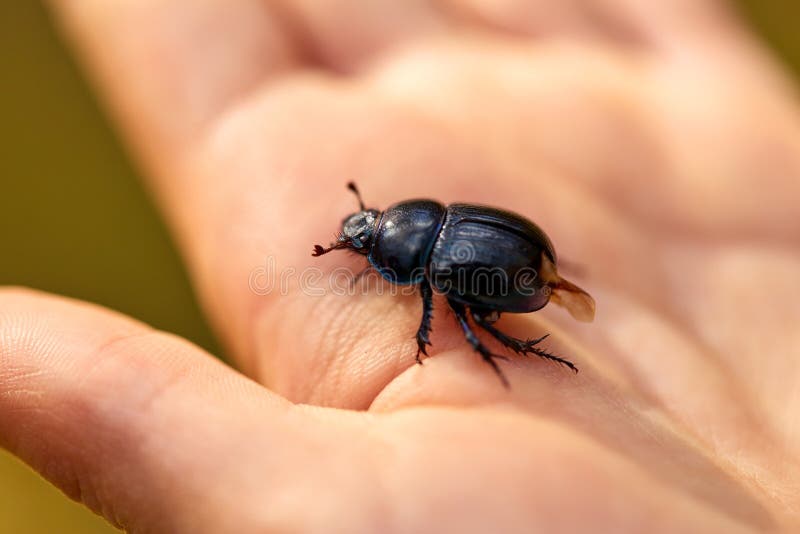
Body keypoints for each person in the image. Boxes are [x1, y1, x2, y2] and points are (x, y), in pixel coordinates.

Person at [2, 1, 799, 532]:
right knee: (458, 310)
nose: (366, 240)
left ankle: (514, 353)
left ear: (396, 241)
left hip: (511, 266)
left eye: (370, 238)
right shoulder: (425, 226)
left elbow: (430, 301)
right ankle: (513, 347)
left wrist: (451, 319)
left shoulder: (430, 261)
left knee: (459, 317)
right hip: (517, 251)